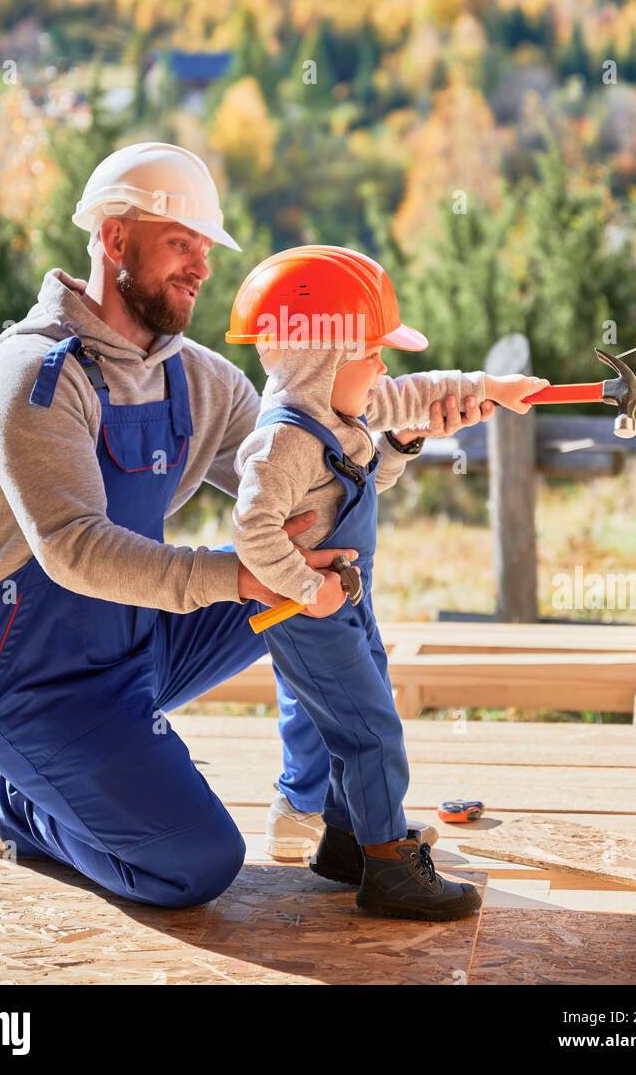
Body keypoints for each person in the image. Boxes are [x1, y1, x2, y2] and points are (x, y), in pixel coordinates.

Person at [0, 142, 502, 908]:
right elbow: (75, 550)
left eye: (205, 249)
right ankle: (13, 801)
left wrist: (397, 439)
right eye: (181, 243)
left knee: (315, 550)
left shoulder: (196, 378)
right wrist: (241, 576)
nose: (201, 268)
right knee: (194, 865)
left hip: (140, 645)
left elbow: (308, 491)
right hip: (33, 680)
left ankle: (325, 808)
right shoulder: (34, 380)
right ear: (114, 239)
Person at [227, 246, 548, 920]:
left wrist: (493, 387)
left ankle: (349, 840)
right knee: (371, 732)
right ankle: (389, 871)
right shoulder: (281, 444)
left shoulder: (345, 413)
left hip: (346, 603)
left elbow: (418, 393)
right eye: (371, 355)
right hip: (311, 614)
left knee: (367, 711)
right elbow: (252, 536)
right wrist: (303, 587)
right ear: (322, 360)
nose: (383, 370)